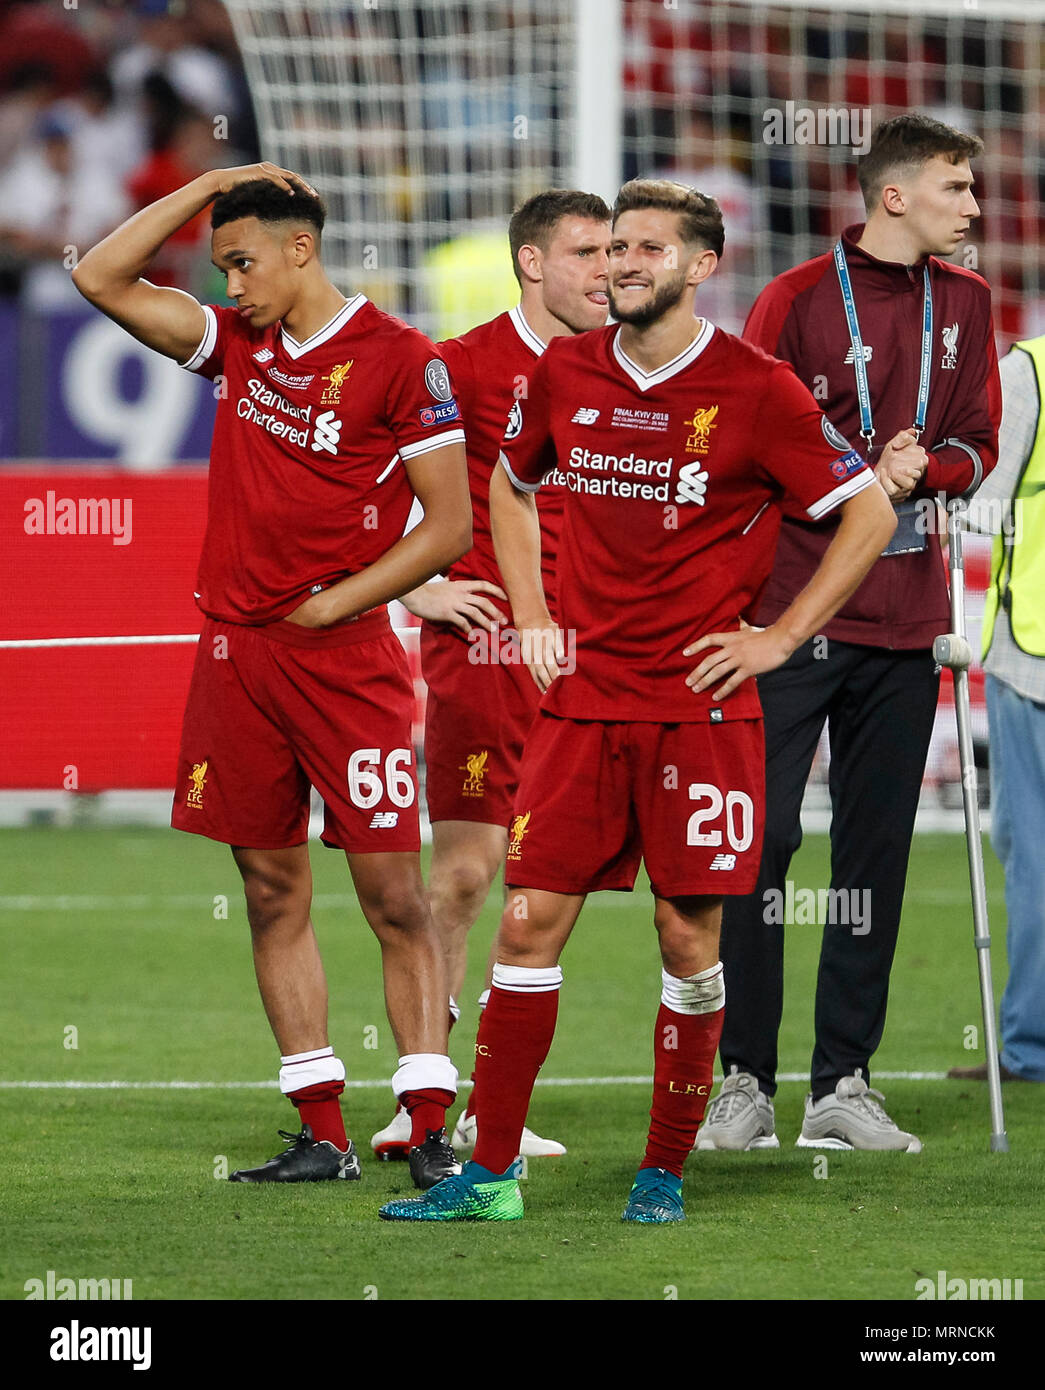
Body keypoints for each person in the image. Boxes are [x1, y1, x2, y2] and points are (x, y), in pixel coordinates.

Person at [377, 178, 896, 1225]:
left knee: (684, 937)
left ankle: (662, 1169)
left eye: (645, 249)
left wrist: (780, 638)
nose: (619, 265)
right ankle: (490, 1176)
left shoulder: (757, 389)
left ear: (700, 266)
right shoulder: (564, 369)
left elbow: (869, 510)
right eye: (611, 248)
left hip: (701, 714)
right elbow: (510, 488)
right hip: (579, 707)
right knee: (526, 928)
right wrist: (528, 609)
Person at [71, 162, 472, 1189]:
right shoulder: (237, 347)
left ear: (303, 249)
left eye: (244, 261)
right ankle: (322, 1129)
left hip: (346, 662)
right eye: (221, 267)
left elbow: (450, 524)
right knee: (265, 886)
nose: (232, 284)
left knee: (393, 896)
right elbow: (101, 278)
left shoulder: (399, 359)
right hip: (236, 657)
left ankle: (427, 1121)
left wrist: (342, 601)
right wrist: (210, 181)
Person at [697, 114, 1000, 1154]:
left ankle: (844, 1083)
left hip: (907, 617)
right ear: (894, 196)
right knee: (762, 841)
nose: (974, 207)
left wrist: (931, 468)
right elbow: (743, 437)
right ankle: (742, 1077)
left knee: (870, 854)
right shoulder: (793, 299)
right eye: (956, 189)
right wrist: (853, 469)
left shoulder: (967, 300)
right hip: (791, 615)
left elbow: (979, 441)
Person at [369, 188, 612, 1163]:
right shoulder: (462, 367)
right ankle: (424, 1094)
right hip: (482, 652)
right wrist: (415, 589)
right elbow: (366, 479)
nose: (607, 269)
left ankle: (491, 1107)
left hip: (584, 657)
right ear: (531, 263)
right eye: (586, 251)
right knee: (465, 873)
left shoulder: (623, 370)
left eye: (613, 252)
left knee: (544, 883)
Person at [948, 335, 1045, 1085]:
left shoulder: (1030, 369)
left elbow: (978, 513)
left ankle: (1030, 1047)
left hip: (1033, 650)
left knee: (1032, 853)